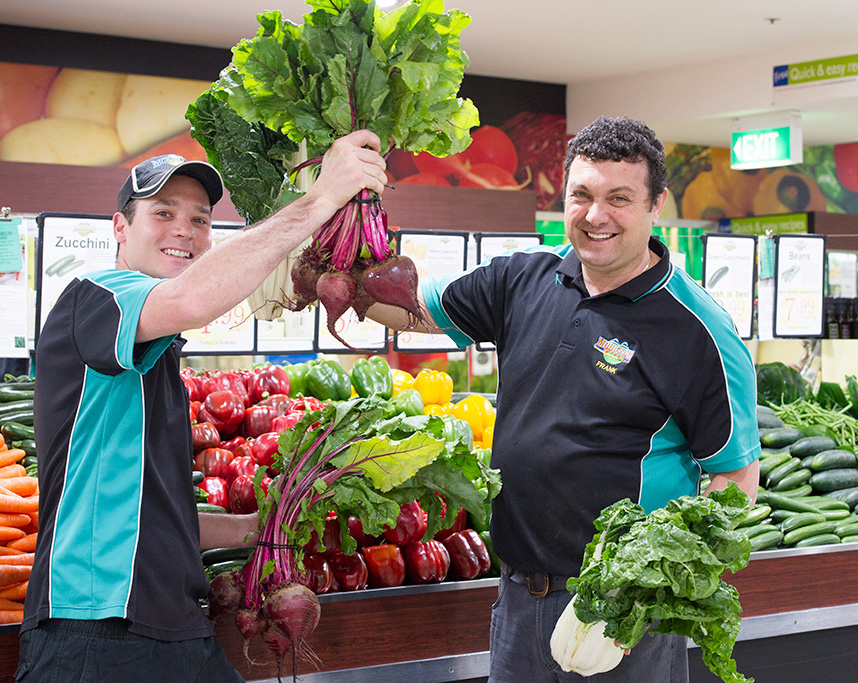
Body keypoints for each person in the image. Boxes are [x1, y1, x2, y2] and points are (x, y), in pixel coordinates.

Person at [368, 116, 761, 682]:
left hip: (621, 622)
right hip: (517, 599)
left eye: (619, 198)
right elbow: (412, 308)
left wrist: (644, 593)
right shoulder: (523, 278)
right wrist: (326, 269)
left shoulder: (699, 328)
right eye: (582, 195)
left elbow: (735, 479)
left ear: (656, 205)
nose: (596, 215)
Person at [17, 130, 387, 683]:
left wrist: (253, 527)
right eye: (163, 212)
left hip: (171, 623)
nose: (184, 230)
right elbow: (193, 298)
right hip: (96, 629)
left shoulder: (154, 347)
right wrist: (320, 200)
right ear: (119, 227)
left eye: (200, 219)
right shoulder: (98, 297)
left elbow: (150, 510)